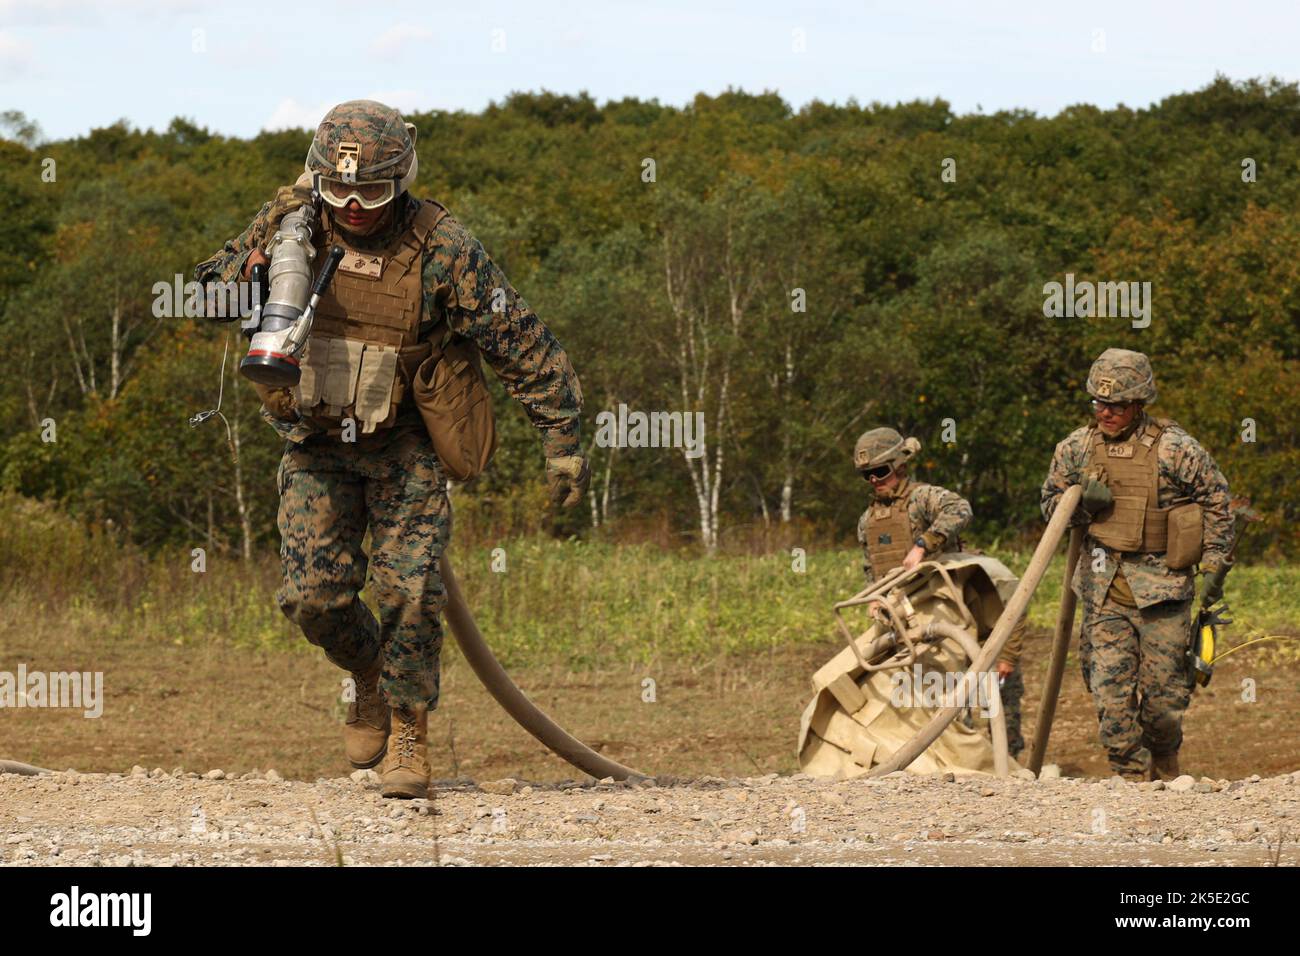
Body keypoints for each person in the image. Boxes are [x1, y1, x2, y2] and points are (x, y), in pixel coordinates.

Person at [195, 100, 589, 798]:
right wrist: (250, 270)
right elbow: (205, 300)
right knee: (313, 599)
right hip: (317, 439)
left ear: (401, 178)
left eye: (371, 192)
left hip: (406, 443)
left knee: (409, 590)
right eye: (338, 190)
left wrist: (562, 441)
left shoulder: (444, 247)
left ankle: (409, 730)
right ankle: (368, 673)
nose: (352, 206)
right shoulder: (290, 222)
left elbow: (520, 341)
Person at [1041, 347, 1231, 780]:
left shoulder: (1175, 449)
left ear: (1139, 403)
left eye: (1116, 405)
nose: (1105, 413)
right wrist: (1081, 508)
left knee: (1165, 705)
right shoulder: (1075, 449)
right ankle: (1130, 785)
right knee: (1111, 704)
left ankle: (1165, 768)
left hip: (1163, 593)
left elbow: (1218, 500)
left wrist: (1216, 566)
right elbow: (1049, 505)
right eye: (1098, 403)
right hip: (1103, 591)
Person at [854, 427, 1026, 758]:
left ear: (899, 466)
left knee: (998, 699)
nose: (874, 480)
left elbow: (960, 509)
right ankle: (956, 768)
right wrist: (874, 598)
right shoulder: (867, 521)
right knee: (934, 705)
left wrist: (924, 544)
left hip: (959, 611)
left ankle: (1009, 767)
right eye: (867, 475)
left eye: (880, 471)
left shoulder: (923, 498)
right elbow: (870, 570)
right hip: (914, 622)